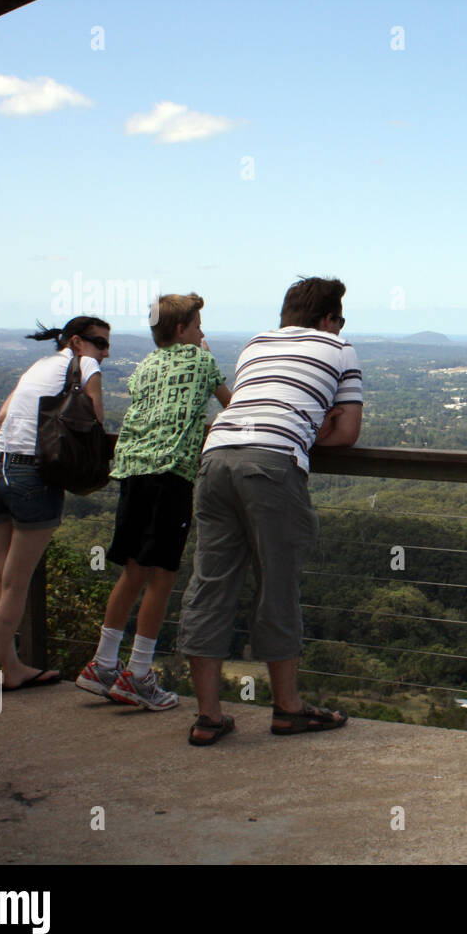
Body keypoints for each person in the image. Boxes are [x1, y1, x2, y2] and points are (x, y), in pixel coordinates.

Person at [177, 276, 363, 745]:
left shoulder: (256, 343)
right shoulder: (339, 348)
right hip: (272, 467)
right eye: (337, 321)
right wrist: (309, 427)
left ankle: (208, 717)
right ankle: (288, 710)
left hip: (215, 458)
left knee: (210, 584)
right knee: (277, 586)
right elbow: (346, 434)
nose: (338, 329)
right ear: (328, 319)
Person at [75, 294, 231, 710]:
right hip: (169, 476)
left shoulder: (145, 366)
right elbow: (231, 404)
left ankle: (103, 664)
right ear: (183, 330)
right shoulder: (201, 360)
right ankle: (139, 674)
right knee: (162, 577)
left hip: (132, 472)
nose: (203, 333)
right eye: (198, 325)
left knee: (132, 572)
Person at [0, 315, 110, 689]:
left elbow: (3, 414)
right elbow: (96, 420)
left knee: (0, 576)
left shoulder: (37, 366)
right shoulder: (86, 365)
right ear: (75, 341)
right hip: (33, 475)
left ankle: (11, 668)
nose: (104, 351)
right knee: (17, 583)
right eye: (99, 342)